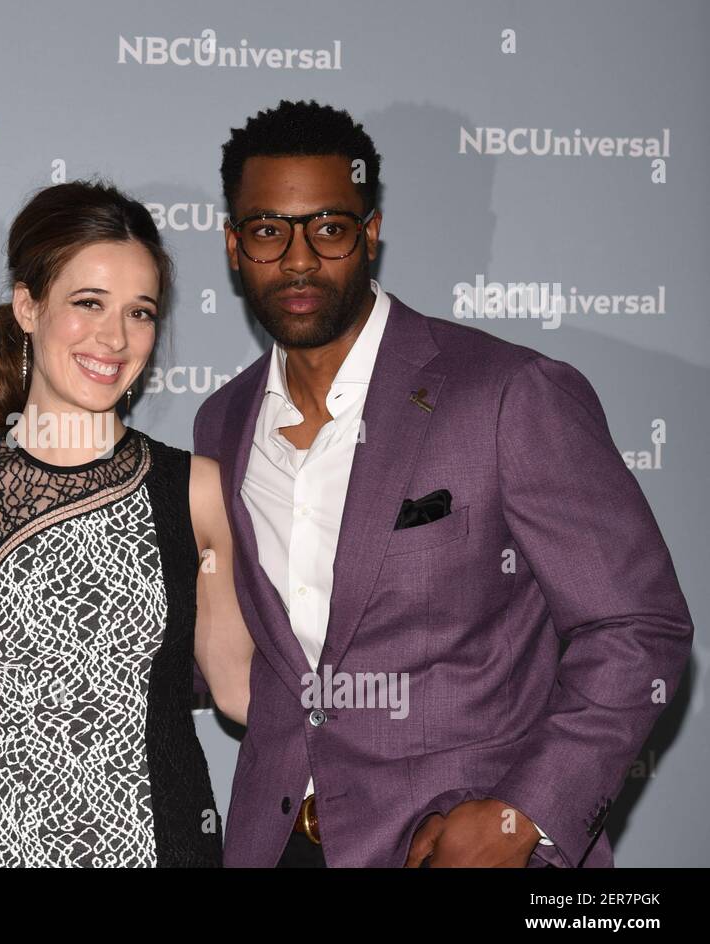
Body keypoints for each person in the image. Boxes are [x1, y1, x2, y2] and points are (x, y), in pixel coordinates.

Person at [193, 99, 694, 868]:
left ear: (371, 233)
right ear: (234, 245)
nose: (298, 260)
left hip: (454, 845)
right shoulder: (222, 422)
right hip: (277, 843)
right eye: (268, 231)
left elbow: (637, 627)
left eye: (328, 227)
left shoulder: (505, 392)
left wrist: (521, 816)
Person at [0, 180, 254, 867]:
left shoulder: (195, 491)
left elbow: (241, 687)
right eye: (88, 303)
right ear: (27, 305)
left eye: (140, 312)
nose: (115, 337)